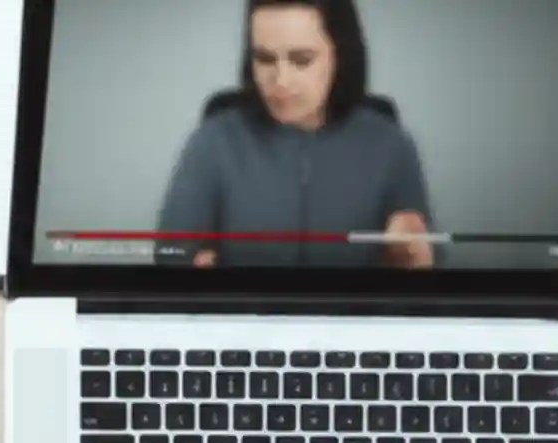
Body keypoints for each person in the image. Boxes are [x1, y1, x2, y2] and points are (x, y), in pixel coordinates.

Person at [158, 0, 434, 269]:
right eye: (264, 59)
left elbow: (432, 266)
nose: (281, 81)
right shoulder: (213, 142)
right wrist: (186, 264)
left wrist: (412, 256)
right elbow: (170, 251)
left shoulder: (392, 146)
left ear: (340, 55)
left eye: (302, 60)